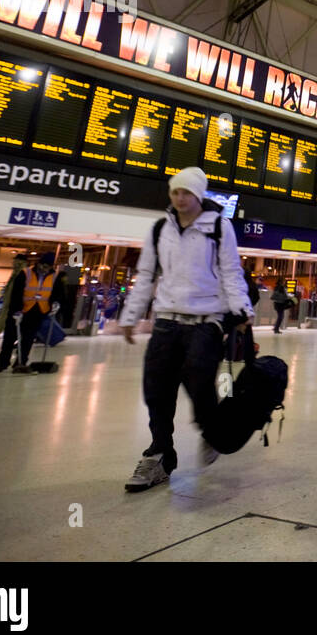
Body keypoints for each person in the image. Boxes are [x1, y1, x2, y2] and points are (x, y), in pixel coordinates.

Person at [110, 167, 254, 493]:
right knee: (156, 389)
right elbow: (146, 274)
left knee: (199, 380)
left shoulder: (218, 227)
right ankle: (159, 454)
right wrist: (131, 316)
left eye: (186, 192)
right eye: (175, 192)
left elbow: (231, 271)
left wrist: (243, 311)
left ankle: (211, 430)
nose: (179, 198)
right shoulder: (161, 228)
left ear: (199, 195)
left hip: (206, 321)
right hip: (166, 321)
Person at [0, 252, 67, 374]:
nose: (44, 269)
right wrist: (16, 310)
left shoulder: (55, 277)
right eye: (42, 265)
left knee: (27, 339)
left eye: (47, 266)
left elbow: (59, 294)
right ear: (38, 263)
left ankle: (20, 363)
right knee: (9, 338)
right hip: (20, 311)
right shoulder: (25, 273)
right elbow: (16, 294)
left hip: (38, 312)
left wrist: (56, 304)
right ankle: (2, 364)